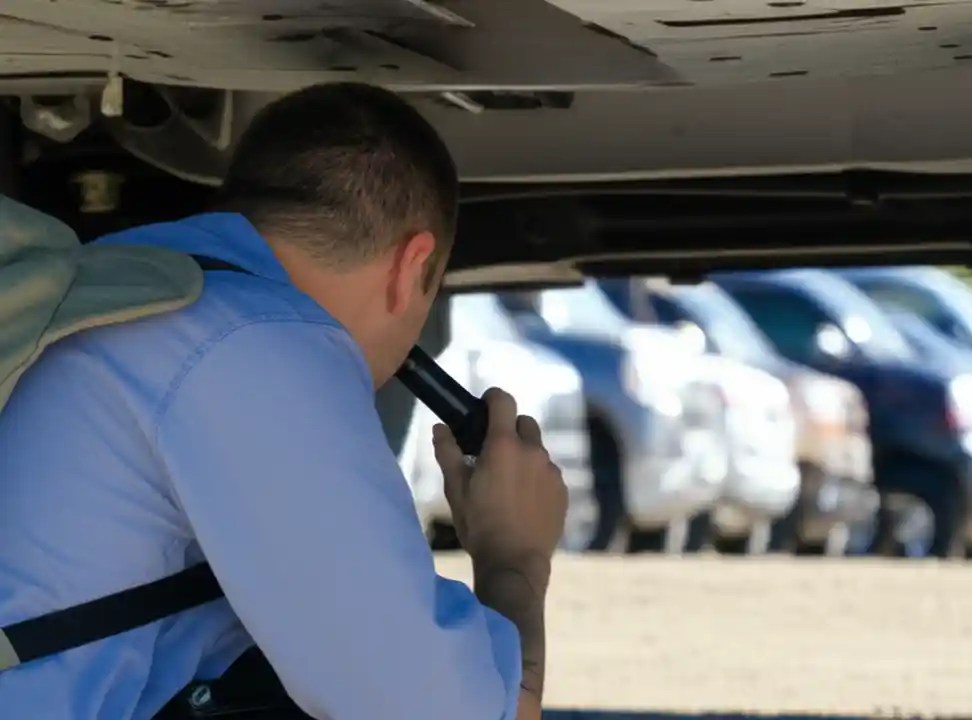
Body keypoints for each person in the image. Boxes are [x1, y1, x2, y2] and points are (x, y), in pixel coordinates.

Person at [0, 82, 568, 719]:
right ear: (412, 268)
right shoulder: (256, 339)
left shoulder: (117, 282)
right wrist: (512, 555)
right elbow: (438, 709)